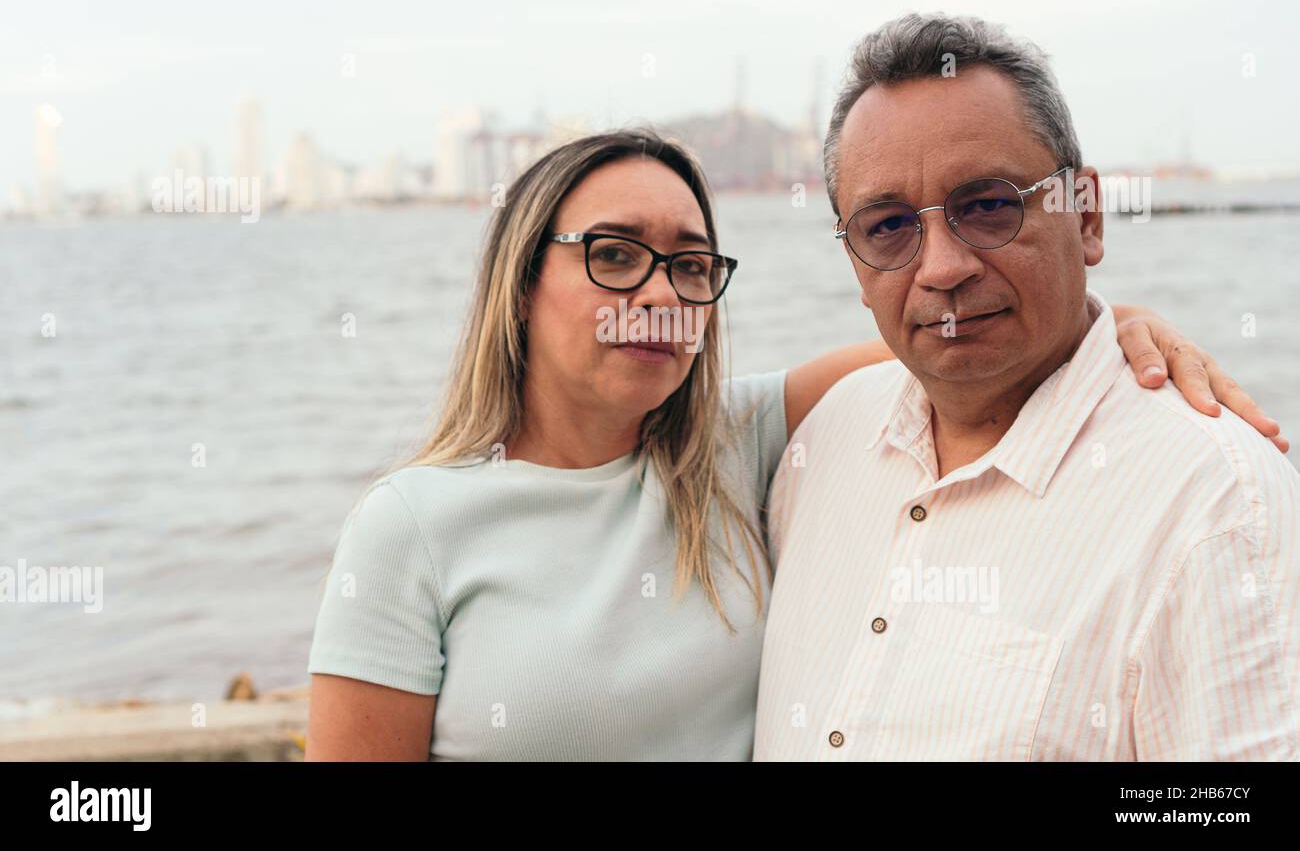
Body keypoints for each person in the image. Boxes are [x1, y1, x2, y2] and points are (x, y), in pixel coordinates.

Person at [305, 128, 1282, 761]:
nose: (658, 296)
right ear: (519, 280)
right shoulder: (410, 526)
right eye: (612, 255)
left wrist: (1118, 324)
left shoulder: (736, 441)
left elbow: (959, 337)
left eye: (690, 266)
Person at [754, 13, 1300, 761]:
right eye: (888, 227)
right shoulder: (824, 442)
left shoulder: (1217, 505)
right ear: (855, 263)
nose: (942, 267)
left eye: (987, 207)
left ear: (1088, 214)